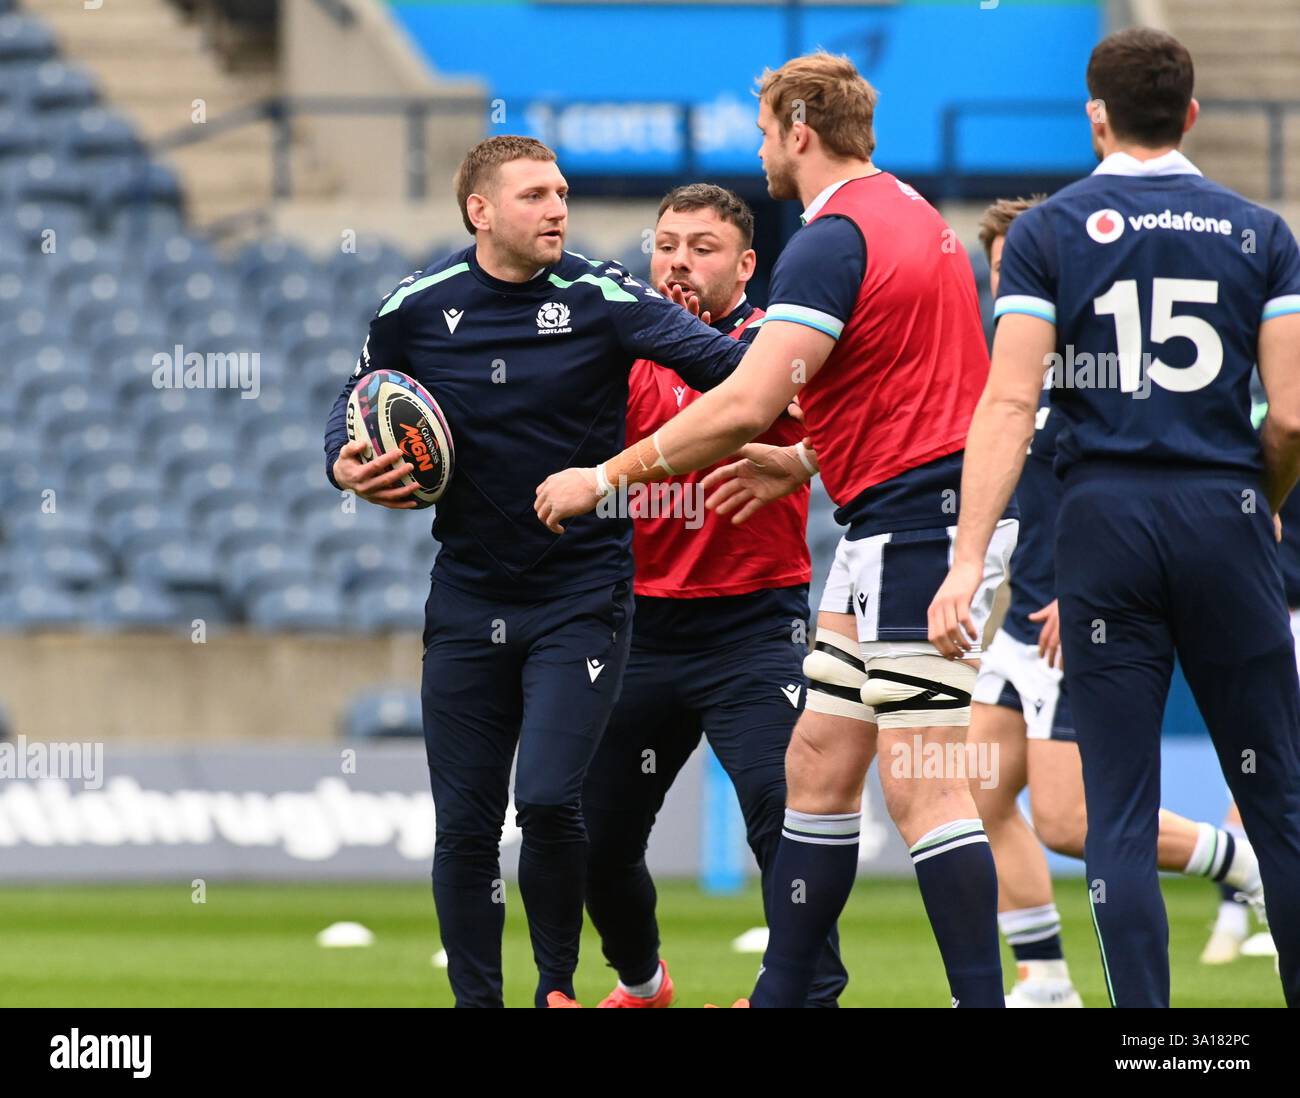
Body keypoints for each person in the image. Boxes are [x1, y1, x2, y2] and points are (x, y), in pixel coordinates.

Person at [536, 51, 1014, 1008]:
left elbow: (750, 398)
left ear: (799, 130)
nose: (760, 148)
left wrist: (608, 475)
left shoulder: (832, 236)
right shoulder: (914, 215)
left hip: (923, 527)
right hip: (883, 525)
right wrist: (805, 463)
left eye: (763, 131)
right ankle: (783, 994)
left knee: (927, 789)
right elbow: (906, 389)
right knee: (819, 766)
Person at [324, 135, 753, 1007]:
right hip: (467, 594)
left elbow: (734, 374)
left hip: (581, 593)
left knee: (552, 801)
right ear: (481, 211)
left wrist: (798, 383)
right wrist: (346, 463)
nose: (557, 207)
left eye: (561, 192)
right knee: (465, 828)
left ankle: (555, 989)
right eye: (534, 196)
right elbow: (355, 399)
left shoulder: (603, 296)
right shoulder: (416, 306)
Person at [928, 27, 1300, 1007]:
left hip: (1104, 528)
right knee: (1278, 800)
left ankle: (1147, 1037)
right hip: (1222, 512)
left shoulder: (1049, 233)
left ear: (1094, 115)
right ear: (1190, 113)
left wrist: (967, 560)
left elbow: (1008, 405)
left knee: (1118, 815)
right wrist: (1259, 503)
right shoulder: (1261, 231)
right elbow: (1294, 413)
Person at [969, 198, 1263, 1008]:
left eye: (1013, 269)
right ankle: (1047, 978)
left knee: (1072, 824)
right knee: (978, 791)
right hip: (1018, 629)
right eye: (995, 271)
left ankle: (1241, 863)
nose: (1005, 285)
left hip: (1078, 614)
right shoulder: (1011, 368)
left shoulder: (1098, 372)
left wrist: (1082, 589)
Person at [583, 183, 846, 1008]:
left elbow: (837, 429)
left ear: (745, 264)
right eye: (666, 244)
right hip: (640, 629)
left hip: (752, 626)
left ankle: (806, 994)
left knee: (784, 813)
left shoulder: (776, 343)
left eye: (701, 246)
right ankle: (642, 981)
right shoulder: (619, 346)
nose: (679, 261)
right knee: (591, 837)